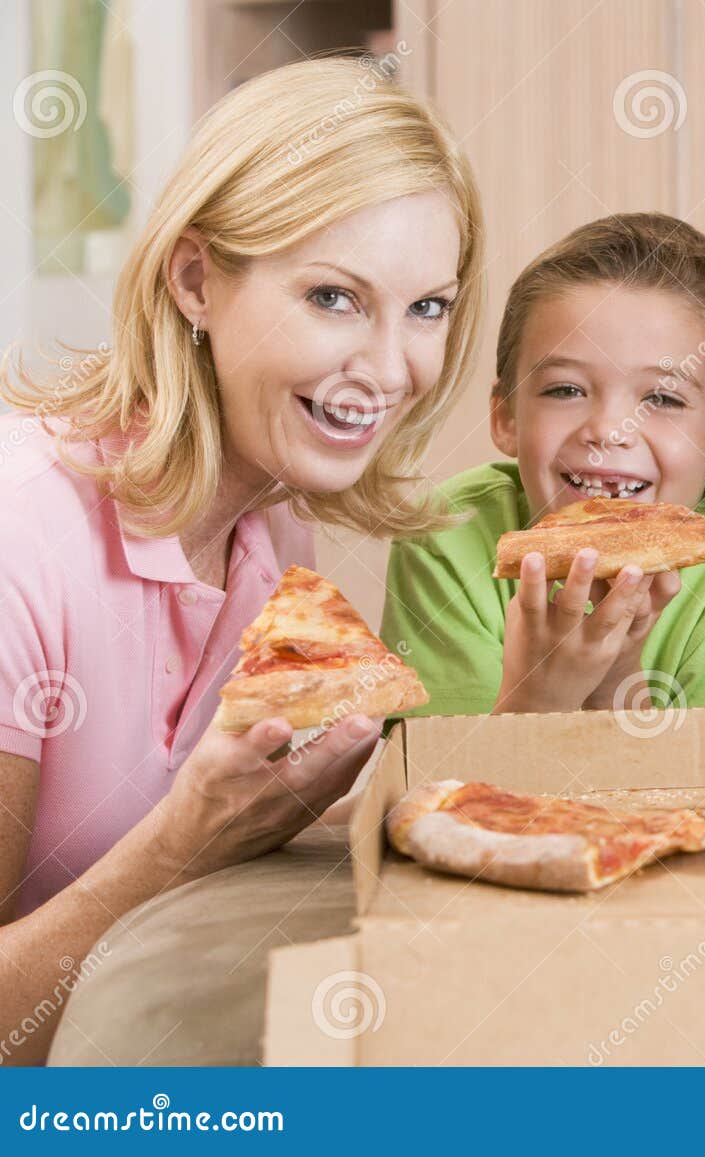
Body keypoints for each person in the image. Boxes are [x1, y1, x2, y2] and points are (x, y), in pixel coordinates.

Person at [0, 57, 484, 1064]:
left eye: (427, 308)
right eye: (334, 297)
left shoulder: (274, 528)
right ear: (195, 281)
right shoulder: (20, 540)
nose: (389, 367)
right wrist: (183, 843)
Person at [381, 213, 705, 715]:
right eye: (566, 390)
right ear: (506, 417)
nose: (609, 430)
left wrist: (613, 682)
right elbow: (446, 765)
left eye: (663, 399)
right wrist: (540, 696)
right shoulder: (444, 534)